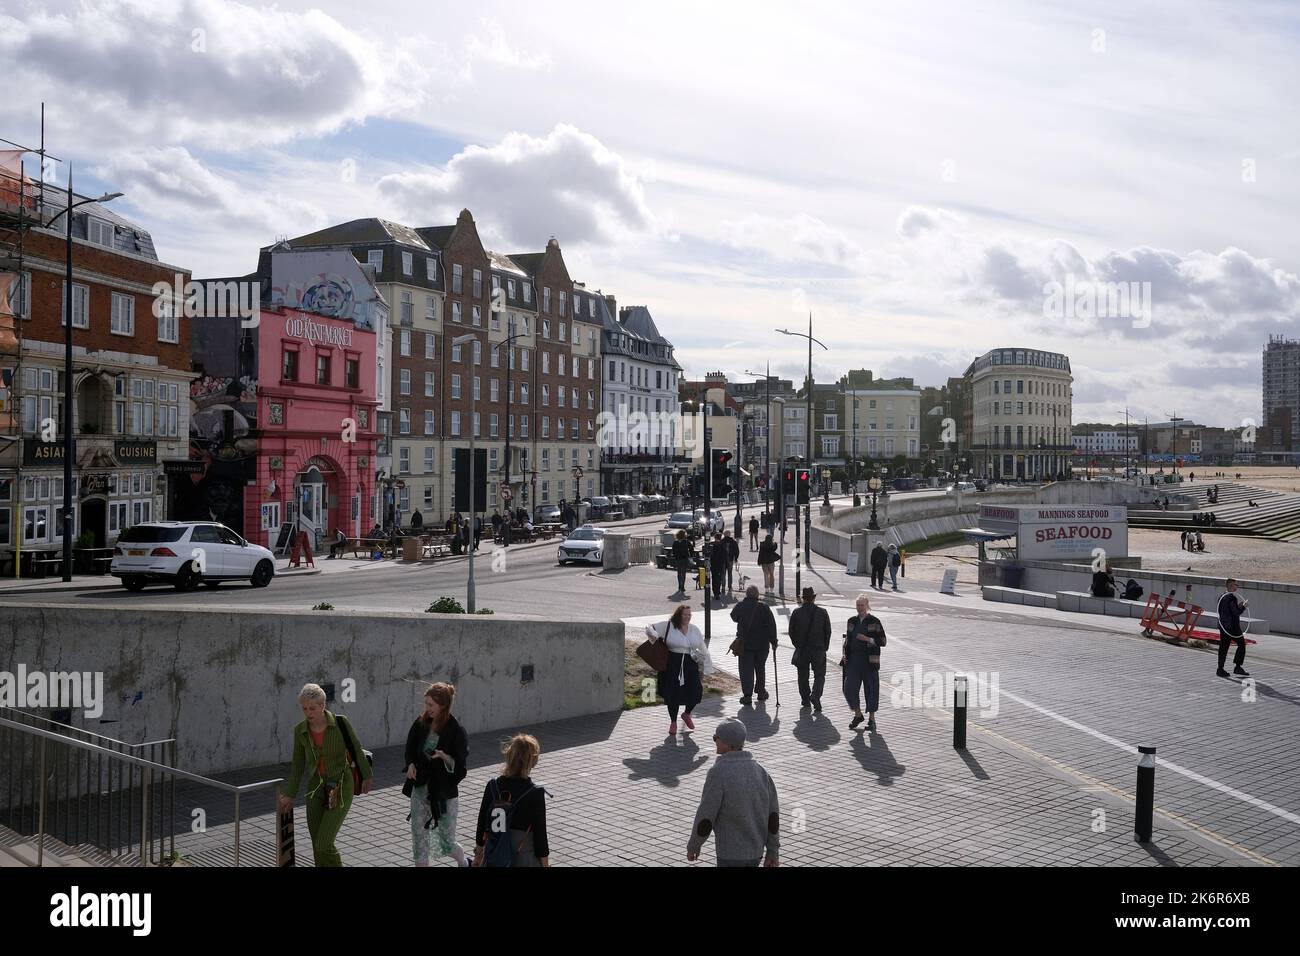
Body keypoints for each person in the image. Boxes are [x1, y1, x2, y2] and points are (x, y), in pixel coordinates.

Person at [278, 683, 372, 867]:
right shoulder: (300, 730)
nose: (308, 712)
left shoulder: (340, 723)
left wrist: (367, 777)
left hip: (340, 787)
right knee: (316, 845)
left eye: (312, 708)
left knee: (324, 844)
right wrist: (290, 793)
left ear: (323, 706)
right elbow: (298, 765)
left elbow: (356, 750)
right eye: (304, 708)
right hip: (314, 789)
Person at [686, 718, 779, 868]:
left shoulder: (718, 773)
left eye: (716, 737)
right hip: (755, 853)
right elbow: (773, 815)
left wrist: (694, 845)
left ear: (726, 742)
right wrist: (773, 851)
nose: (714, 740)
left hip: (729, 854)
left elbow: (706, 815)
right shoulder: (761, 772)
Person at [403, 683, 470, 867]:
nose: (428, 709)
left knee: (446, 841)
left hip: (443, 792)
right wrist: (410, 765)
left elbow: (461, 766)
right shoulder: (420, 724)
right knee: (419, 837)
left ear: (443, 705)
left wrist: (445, 757)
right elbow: (409, 750)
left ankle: (463, 862)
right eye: (426, 704)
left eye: (431, 705)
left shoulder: (456, 730)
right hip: (420, 788)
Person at [474, 734, 550, 867]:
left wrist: (478, 854)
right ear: (533, 761)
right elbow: (540, 836)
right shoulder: (535, 793)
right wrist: (545, 865)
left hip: (495, 853)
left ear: (509, 755)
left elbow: (482, 822)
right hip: (523, 855)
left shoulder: (493, 785)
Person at [646, 604, 711, 735]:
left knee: (695, 692)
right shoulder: (669, 626)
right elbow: (649, 628)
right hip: (672, 663)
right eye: (685, 614)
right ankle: (673, 722)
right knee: (673, 693)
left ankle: (687, 714)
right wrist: (654, 638)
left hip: (690, 664)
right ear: (679, 615)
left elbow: (702, 646)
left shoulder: (694, 629)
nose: (687, 617)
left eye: (689, 615)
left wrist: (708, 663)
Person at [841, 594, 886, 731]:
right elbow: (847, 640)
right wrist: (844, 654)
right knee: (848, 688)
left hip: (869, 661)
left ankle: (872, 720)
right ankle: (858, 714)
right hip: (854, 660)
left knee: (871, 690)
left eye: (862, 605)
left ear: (867, 606)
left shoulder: (874, 621)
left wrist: (868, 639)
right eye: (858, 605)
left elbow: (883, 641)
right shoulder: (851, 621)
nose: (860, 608)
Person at [731, 585, 778, 706]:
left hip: (745, 644)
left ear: (747, 594)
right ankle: (761, 692)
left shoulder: (741, 606)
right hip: (762, 645)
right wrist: (774, 641)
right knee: (760, 668)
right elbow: (771, 625)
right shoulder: (764, 607)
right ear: (757, 595)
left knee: (746, 670)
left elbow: (733, 617)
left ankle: (747, 695)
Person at [789, 586, 831, 711]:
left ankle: (805, 699)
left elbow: (791, 631)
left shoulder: (797, 613)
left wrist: (797, 644)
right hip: (818, 649)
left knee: (802, 675)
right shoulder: (822, 612)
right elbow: (827, 631)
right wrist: (825, 647)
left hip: (802, 649)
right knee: (819, 675)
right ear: (813, 598)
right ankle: (816, 695)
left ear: (803, 598)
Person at [1216, 579, 1250, 678]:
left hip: (1223, 626)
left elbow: (1229, 610)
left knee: (1223, 647)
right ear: (1230, 586)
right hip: (1232, 627)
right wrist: (1243, 607)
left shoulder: (1222, 596)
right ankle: (1237, 667)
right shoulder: (1231, 598)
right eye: (1236, 585)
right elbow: (1236, 613)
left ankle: (1220, 669)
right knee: (1241, 645)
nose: (1237, 587)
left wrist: (1239, 606)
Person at [671, 529, 693, 594]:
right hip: (684, 559)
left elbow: (673, 551)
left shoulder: (675, 542)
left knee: (679, 573)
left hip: (678, 559)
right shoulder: (686, 542)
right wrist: (690, 555)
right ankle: (682, 586)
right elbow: (691, 549)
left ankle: (679, 585)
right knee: (683, 573)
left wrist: (675, 556)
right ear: (684, 535)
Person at [709, 533, 728, 603]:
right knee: (719, 578)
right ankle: (717, 592)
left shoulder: (711, 544)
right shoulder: (723, 545)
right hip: (720, 564)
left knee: (714, 578)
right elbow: (725, 555)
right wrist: (726, 564)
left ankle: (715, 591)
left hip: (713, 564)